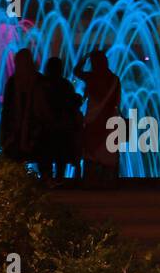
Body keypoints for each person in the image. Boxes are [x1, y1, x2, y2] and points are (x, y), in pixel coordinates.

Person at [73, 50, 122, 185]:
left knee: (91, 151)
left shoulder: (91, 77)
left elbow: (76, 71)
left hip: (93, 119)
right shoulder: (114, 79)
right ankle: (109, 181)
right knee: (108, 152)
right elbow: (117, 102)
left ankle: (91, 180)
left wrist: (85, 57)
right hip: (109, 119)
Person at [34, 55, 82, 184]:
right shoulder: (65, 85)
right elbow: (72, 104)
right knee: (60, 156)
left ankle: (47, 178)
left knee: (47, 156)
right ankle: (58, 178)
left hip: (47, 128)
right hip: (61, 128)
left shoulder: (43, 85)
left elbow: (38, 105)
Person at [0, 47, 41, 168]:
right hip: (25, 127)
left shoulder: (13, 82)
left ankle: (20, 180)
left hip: (27, 127)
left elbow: (6, 108)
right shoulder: (37, 80)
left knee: (17, 158)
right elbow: (7, 108)